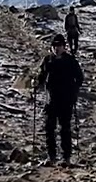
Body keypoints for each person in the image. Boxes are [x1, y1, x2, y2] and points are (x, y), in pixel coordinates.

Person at [35, 34, 85, 166]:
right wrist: (37, 84)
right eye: (55, 46)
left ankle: (66, 158)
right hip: (51, 100)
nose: (57, 48)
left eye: (59, 46)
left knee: (65, 129)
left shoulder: (71, 61)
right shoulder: (47, 60)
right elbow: (41, 76)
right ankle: (51, 157)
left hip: (66, 100)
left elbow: (80, 78)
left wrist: (73, 91)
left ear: (64, 47)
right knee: (49, 129)